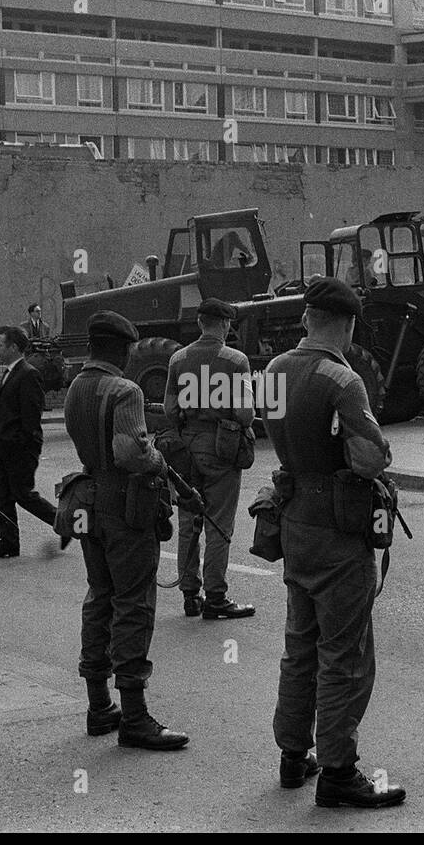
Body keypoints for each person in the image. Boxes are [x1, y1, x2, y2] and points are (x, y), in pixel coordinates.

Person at [265, 278, 404, 808]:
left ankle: (293, 755)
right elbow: (370, 458)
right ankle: (339, 772)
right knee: (345, 654)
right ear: (345, 325)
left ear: (306, 318)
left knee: (300, 645)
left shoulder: (276, 370)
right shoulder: (343, 379)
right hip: (338, 532)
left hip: (294, 522)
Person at [64, 310, 189, 751]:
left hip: (89, 500)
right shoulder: (125, 390)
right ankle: (135, 716)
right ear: (124, 349)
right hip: (124, 507)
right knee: (134, 603)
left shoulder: (77, 385)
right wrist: (156, 457)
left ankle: (99, 705)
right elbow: (129, 452)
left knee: (99, 597)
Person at [162, 297, 255, 619]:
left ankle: (191, 595)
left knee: (189, 522)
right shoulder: (236, 360)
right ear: (226, 324)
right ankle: (216, 597)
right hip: (222, 449)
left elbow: (170, 411)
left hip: (186, 450)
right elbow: (245, 412)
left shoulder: (178, 359)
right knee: (219, 524)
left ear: (200, 323)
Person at [0, 325, 64, 559]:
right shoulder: (10, 372)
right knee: (3, 498)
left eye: (0, 345)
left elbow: (31, 418)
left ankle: (66, 524)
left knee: (23, 495)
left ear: (14, 347)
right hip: (3, 451)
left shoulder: (28, 374)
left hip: (18, 451)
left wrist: (21, 446)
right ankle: (8, 543)